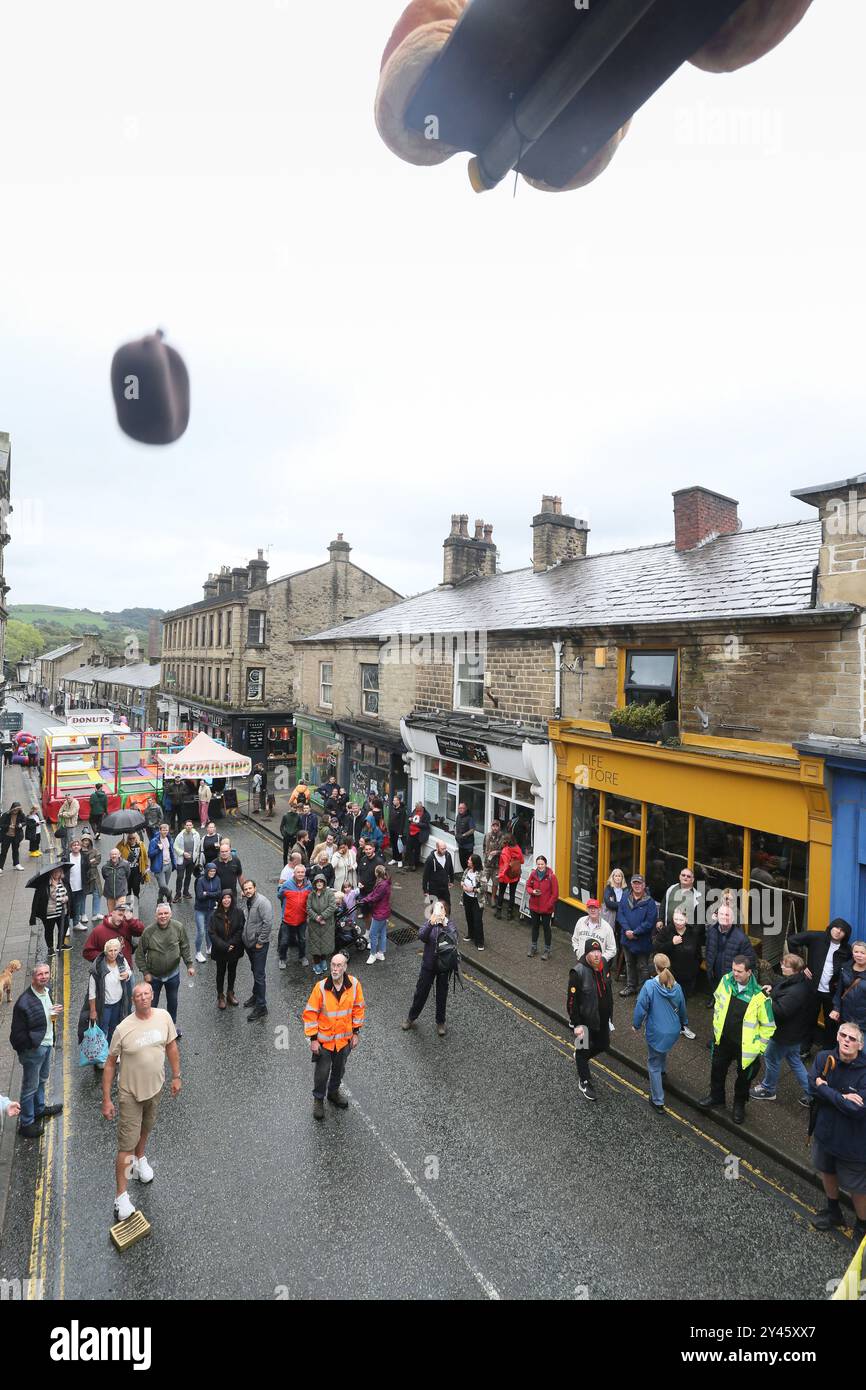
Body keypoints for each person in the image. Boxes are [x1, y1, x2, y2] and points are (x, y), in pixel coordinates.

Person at [102, 980, 181, 1222]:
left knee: (145, 1130)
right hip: (131, 1095)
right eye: (139, 995)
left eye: (147, 993)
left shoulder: (163, 1017)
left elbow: (171, 1047)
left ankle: (140, 1160)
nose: (144, 997)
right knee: (127, 1144)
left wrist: (176, 1076)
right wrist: (106, 1099)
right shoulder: (123, 1029)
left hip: (155, 1089)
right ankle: (121, 1197)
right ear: (133, 1000)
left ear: (152, 996)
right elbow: (109, 1064)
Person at [699, 954, 775, 1124]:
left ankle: (739, 1105)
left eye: (739, 971)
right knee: (717, 1070)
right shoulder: (726, 981)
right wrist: (716, 1027)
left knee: (743, 1080)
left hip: (745, 1048)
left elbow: (769, 1026)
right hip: (723, 1040)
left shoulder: (760, 996)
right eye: (733, 969)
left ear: (749, 972)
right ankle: (716, 1097)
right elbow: (718, 1000)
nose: (735, 974)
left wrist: (760, 1048)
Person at [808, 1020, 866, 1240]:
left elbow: (856, 1109)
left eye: (852, 1038)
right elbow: (811, 1086)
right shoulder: (824, 1058)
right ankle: (834, 1212)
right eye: (843, 1035)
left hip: (852, 1144)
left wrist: (826, 1090)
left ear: (860, 1045)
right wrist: (841, 1097)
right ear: (837, 1037)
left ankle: (862, 1224)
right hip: (825, 1133)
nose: (846, 1041)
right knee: (827, 1171)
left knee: (857, 1188)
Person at [303, 952, 366, 1120]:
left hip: (344, 1041)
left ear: (345, 967)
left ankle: (333, 1093)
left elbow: (358, 1008)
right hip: (324, 1042)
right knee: (322, 1073)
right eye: (333, 965)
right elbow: (310, 1014)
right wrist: (313, 1039)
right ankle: (318, 1099)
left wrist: (356, 1033)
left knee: (339, 1070)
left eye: (339, 965)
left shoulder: (354, 984)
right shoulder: (321, 987)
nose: (335, 969)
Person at [750, 953, 814, 1107]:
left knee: (771, 1058)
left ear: (795, 970)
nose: (782, 966)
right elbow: (783, 986)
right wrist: (772, 988)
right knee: (795, 1061)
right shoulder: (798, 980)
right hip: (794, 1034)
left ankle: (768, 1089)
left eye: (786, 965)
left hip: (783, 1035)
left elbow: (781, 1011)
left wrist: (765, 999)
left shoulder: (796, 991)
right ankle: (812, 1093)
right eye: (782, 963)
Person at [9, 963, 64, 1137]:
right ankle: (26, 1124)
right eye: (40, 974)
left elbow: (44, 1016)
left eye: (46, 973)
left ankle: (39, 1109)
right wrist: (31, 1047)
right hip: (34, 1049)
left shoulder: (47, 991)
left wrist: (53, 1013)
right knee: (30, 1087)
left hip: (46, 1044)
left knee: (42, 1080)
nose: (44, 976)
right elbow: (16, 1035)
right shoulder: (24, 1002)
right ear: (33, 977)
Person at [632, 953, 689, 1111]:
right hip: (673, 1031)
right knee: (661, 1050)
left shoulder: (650, 986)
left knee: (653, 1064)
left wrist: (636, 1025)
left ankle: (658, 1100)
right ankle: (663, 1072)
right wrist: (684, 1022)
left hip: (656, 1031)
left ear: (656, 968)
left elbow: (641, 1007)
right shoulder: (677, 987)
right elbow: (682, 1008)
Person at [788, 917, 852, 1055]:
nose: (838, 931)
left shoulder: (847, 950)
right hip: (813, 989)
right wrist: (801, 965)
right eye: (836, 927)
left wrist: (841, 981)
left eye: (842, 931)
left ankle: (827, 1053)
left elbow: (850, 969)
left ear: (845, 935)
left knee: (831, 1023)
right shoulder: (817, 937)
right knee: (808, 1019)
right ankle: (804, 1050)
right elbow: (792, 940)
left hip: (832, 993)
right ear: (831, 927)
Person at [401, 901, 458, 1038]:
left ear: (446, 911)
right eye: (436, 908)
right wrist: (431, 923)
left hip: (444, 967)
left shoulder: (450, 925)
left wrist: (444, 924)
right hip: (428, 965)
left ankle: (440, 1022)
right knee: (421, 993)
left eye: (441, 908)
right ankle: (411, 1018)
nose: (439, 911)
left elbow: (454, 939)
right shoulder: (430, 923)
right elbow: (421, 936)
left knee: (441, 995)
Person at [134, 903, 194, 1033]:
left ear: (170, 914)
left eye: (166, 913)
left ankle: (172, 1026)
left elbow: (184, 946)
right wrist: (145, 972)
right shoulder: (148, 931)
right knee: (151, 1004)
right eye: (160, 914)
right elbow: (139, 954)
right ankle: (150, 1028)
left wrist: (189, 965)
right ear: (156, 916)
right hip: (154, 976)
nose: (163, 916)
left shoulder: (178, 927)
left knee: (172, 1002)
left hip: (173, 974)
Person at [567, 938, 613, 1103]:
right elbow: (571, 1002)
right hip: (584, 1022)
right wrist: (576, 1024)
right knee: (582, 1050)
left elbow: (608, 991)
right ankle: (584, 1081)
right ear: (586, 953)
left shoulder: (604, 964)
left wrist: (610, 1016)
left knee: (603, 1045)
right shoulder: (577, 972)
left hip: (602, 1019)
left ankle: (581, 1059)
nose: (596, 955)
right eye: (593, 952)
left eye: (598, 951)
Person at [79, 936, 133, 1060]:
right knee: (102, 1029)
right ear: (105, 951)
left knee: (114, 1029)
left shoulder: (121, 960)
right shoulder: (98, 967)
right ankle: (101, 1056)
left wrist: (127, 975)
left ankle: (112, 1053)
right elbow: (92, 992)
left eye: (115, 950)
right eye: (110, 950)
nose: (113, 953)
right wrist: (93, 1010)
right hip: (105, 1006)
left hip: (118, 1003)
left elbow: (129, 971)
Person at [653, 908, 701, 1035]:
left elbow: (698, 953)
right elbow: (657, 947)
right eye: (676, 919)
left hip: (687, 975)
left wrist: (695, 969)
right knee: (667, 999)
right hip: (671, 974)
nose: (678, 922)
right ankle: (665, 1022)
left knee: (682, 1001)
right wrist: (671, 943)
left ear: (687, 919)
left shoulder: (692, 933)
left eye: (681, 919)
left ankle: (681, 1024)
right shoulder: (667, 931)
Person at [704, 902, 756, 1007]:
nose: (724, 917)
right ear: (717, 916)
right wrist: (709, 964)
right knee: (714, 983)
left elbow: (750, 960)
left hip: (729, 972)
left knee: (727, 995)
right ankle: (714, 997)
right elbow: (708, 947)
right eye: (721, 914)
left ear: (732, 919)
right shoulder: (711, 930)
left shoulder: (741, 938)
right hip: (714, 967)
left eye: (727, 915)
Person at [617, 874, 658, 998]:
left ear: (644, 885)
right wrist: (627, 930)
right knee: (629, 963)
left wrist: (635, 932)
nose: (637, 885)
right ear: (631, 884)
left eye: (639, 883)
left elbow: (650, 922)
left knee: (643, 967)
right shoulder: (625, 897)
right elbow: (620, 915)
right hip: (626, 938)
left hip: (642, 940)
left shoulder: (650, 902)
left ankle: (643, 992)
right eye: (635, 883)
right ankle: (631, 986)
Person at [240, 879, 272, 1020]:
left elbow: (268, 923)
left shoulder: (263, 902)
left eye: (250, 888)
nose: (248, 891)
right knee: (255, 970)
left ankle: (261, 1006)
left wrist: (260, 942)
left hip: (258, 945)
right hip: (249, 944)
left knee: (259, 975)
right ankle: (256, 995)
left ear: (255, 888)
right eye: (245, 889)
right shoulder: (247, 901)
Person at [83, 903, 145, 969]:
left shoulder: (127, 924)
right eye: (120, 915)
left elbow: (141, 931)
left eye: (124, 916)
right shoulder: (98, 931)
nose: (121, 919)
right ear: (112, 913)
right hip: (108, 971)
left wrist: (131, 920)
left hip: (126, 969)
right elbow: (87, 952)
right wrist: (106, 958)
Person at [210, 889, 244, 1009]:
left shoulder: (239, 912)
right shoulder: (214, 915)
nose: (226, 900)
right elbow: (212, 933)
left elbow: (240, 929)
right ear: (220, 900)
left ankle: (230, 993)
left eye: (229, 897)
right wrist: (225, 946)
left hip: (234, 948)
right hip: (220, 950)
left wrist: (231, 944)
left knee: (232, 971)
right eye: (224, 898)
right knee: (220, 973)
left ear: (232, 899)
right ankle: (220, 996)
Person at [29, 865, 70, 955]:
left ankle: (61, 944)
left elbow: (69, 893)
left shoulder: (64, 882)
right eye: (54, 872)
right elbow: (36, 900)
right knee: (49, 931)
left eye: (58, 871)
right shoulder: (44, 884)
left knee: (64, 927)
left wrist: (67, 898)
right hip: (49, 913)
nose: (56, 873)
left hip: (62, 912)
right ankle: (50, 948)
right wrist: (33, 916)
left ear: (61, 872)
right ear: (51, 873)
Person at [525, 855, 559, 960]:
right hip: (534, 907)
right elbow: (528, 886)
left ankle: (547, 950)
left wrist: (548, 905)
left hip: (546, 909)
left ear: (546, 864)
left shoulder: (551, 876)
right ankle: (534, 947)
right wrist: (532, 891)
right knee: (534, 927)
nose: (540, 866)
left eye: (542, 864)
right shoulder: (533, 874)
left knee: (546, 929)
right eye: (538, 864)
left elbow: (555, 894)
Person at [277, 863, 311, 969]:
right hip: (287, 919)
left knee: (302, 939)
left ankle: (302, 957)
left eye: (302, 872)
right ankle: (282, 958)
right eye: (298, 872)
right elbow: (280, 895)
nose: (300, 874)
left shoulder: (309, 885)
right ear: (294, 873)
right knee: (284, 941)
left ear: (305, 873)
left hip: (302, 919)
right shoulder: (287, 884)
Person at [830, 940, 866, 1036]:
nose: (859, 955)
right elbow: (839, 992)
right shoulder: (845, 968)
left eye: (862, 953)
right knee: (844, 1042)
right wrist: (836, 1009)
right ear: (852, 953)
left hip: (863, 1022)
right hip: (845, 1017)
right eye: (856, 952)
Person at [306, 872, 338, 976]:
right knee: (315, 946)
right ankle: (316, 964)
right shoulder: (311, 895)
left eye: (321, 881)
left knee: (325, 945)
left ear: (324, 883)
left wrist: (322, 916)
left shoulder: (329, 893)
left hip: (326, 924)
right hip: (314, 925)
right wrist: (317, 918)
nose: (319, 883)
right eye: (317, 881)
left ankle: (323, 961)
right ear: (314, 883)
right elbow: (308, 908)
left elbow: (332, 907)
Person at [361, 864, 392, 965]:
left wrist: (364, 900)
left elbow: (375, 897)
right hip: (384, 911)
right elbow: (374, 893)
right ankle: (381, 953)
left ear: (377, 873)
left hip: (379, 913)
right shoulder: (384, 882)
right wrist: (366, 898)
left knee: (372, 934)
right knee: (382, 933)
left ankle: (373, 954)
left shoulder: (382, 885)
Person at [571, 899, 616, 965]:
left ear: (599, 910)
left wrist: (602, 959)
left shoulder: (607, 928)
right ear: (587, 909)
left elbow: (612, 949)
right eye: (590, 908)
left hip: (597, 964)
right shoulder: (580, 922)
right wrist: (577, 951)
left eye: (595, 908)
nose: (592, 910)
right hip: (581, 961)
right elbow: (575, 939)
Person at [193, 860, 222, 962]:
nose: (212, 873)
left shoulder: (217, 879)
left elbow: (219, 893)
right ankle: (198, 953)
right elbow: (200, 896)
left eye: (214, 871)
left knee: (209, 930)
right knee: (201, 931)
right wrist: (212, 894)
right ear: (206, 871)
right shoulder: (200, 880)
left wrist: (207, 893)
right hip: (200, 910)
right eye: (210, 871)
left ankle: (209, 947)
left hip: (211, 909)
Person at [495, 835, 524, 920]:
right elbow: (522, 861)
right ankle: (509, 914)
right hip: (515, 874)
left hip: (505, 875)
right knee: (512, 894)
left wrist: (501, 874)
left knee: (501, 893)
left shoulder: (505, 850)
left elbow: (506, 864)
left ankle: (498, 912)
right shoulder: (518, 848)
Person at [422, 839, 454, 914]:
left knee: (447, 907)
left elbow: (451, 868)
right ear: (437, 848)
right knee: (435, 909)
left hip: (444, 888)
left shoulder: (448, 855)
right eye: (442, 849)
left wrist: (452, 880)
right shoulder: (430, 859)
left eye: (445, 848)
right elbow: (425, 876)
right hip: (434, 889)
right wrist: (425, 890)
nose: (444, 850)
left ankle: (446, 920)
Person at [461, 853, 485, 951]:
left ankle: (480, 942)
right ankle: (471, 935)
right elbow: (462, 880)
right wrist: (463, 886)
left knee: (477, 921)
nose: (468, 861)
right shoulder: (467, 870)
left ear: (474, 863)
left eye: (470, 860)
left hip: (476, 900)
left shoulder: (481, 873)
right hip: (467, 898)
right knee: (469, 917)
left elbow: (484, 888)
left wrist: (473, 890)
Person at [172, 819, 201, 903]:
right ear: (184, 826)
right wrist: (183, 853)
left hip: (191, 859)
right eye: (187, 825)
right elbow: (175, 846)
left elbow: (198, 845)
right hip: (182, 859)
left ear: (192, 826)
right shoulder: (180, 835)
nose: (189, 827)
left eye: (190, 825)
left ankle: (186, 892)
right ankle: (178, 894)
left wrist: (196, 856)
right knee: (180, 877)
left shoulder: (196, 834)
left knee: (188, 876)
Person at [148, 823, 176, 906]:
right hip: (159, 867)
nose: (165, 832)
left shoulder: (169, 839)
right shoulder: (154, 841)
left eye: (166, 830)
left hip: (169, 865)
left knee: (163, 886)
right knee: (163, 886)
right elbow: (150, 854)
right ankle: (169, 895)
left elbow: (171, 852)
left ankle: (160, 900)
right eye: (163, 830)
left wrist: (174, 863)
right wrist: (158, 849)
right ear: (160, 831)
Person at [118, 832, 148, 910]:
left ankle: (136, 902)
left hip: (137, 870)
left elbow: (145, 857)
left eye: (133, 838)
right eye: (130, 838)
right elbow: (117, 850)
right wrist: (122, 841)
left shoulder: (140, 845)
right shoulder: (124, 845)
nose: (131, 840)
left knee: (136, 887)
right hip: (127, 871)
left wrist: (145, 868)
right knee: (127, 888)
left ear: (136, 838)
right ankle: (128, 905)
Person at [66, 836, 90, 931]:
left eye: (77, 845)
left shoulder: (84, 857)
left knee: (77, 906)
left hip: (80, 886)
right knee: (68, 907)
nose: (76, 846)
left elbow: (87, 869)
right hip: (69, 887)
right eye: (74, 845)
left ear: (80, 846)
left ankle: (76, 923)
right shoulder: (66, 857)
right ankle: (66, 926)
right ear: (71, 847)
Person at [79, 833, 103, 925]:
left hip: (94, 874)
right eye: (84, 840)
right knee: (83, 894)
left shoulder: (94, 851)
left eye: (88, 841)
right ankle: (83, 914)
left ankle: (95, 913)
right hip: (83, 875)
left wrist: (88, 862)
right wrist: (89, 862)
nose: (86, 842)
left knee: (97, 893)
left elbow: (97, 860)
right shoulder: (78, 851)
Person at [102, 846, 132, 916]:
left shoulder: (125, 864)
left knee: (120, 913)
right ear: (110, 856)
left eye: (115, 854)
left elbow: (127, 875)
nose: (114, 856)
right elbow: (104, 876)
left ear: (119, 855)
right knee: (112, 914)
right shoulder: (105, 867)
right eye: (112, 854)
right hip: (109, 894)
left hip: (121, 893)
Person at [405, 802, 431, 871]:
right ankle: (410, 864)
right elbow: (411, 817)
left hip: (418, 834)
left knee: (416, 850)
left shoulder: (426, 814)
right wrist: (410, 819)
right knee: (409, 848)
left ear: (421, 807)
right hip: (411, 832)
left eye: (417, 808)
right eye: (416, 808)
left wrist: (417, 823)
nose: (416, 809)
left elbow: (426, 825)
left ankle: (414, 865)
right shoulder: (414, 811)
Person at [0, 802, 25, 871]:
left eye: (17, 810)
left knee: (16, 851)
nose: (16, 811)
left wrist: (21, 825)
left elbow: (25, 821)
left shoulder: (21, 814)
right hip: (6, 836)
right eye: (15, 810)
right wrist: (8, 826)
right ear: (12, 808)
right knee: (3, 852)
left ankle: (16, 864)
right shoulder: (6, 815)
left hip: (16, 836)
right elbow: (1, 824)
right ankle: (0, 867)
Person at [55, 792, 80, 856]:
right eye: (66, 798)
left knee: (70, 840)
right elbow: (60, 810)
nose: (67, 799)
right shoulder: (66, 802)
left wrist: (63, 814)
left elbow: (71, 814)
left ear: (72, 797)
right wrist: (61, 814)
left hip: (71, 825)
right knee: (63, 839)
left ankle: (69, 853)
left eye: (69, 798)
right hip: (64, 824)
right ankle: (64, 852)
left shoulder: (76, 804)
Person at [454, 802, 476, 872]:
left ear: (466, 809)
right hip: (460, 844)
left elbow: (472, 830)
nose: (460, 809)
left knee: (469, 863)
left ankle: (469, 875)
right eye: (459, 808)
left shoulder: (470, 818)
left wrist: (464, 835)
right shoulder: (458, 816)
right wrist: (456, 834)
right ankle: (465, 874)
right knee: (462, 862)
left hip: (468, 845)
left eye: (462, 808)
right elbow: (456, 826)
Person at [387, 794, 407, 868]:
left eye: (395, 800)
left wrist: (400, 832)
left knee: (398, 846)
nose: (393, 801)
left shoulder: (402, 810)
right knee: (393, 845)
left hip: (398, 831)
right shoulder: (392, 808)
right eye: (393, 800)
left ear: (398, 801)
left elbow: (402, 822)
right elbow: (390, 818)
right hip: (391, 830)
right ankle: (394, 858)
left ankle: (399, 860)